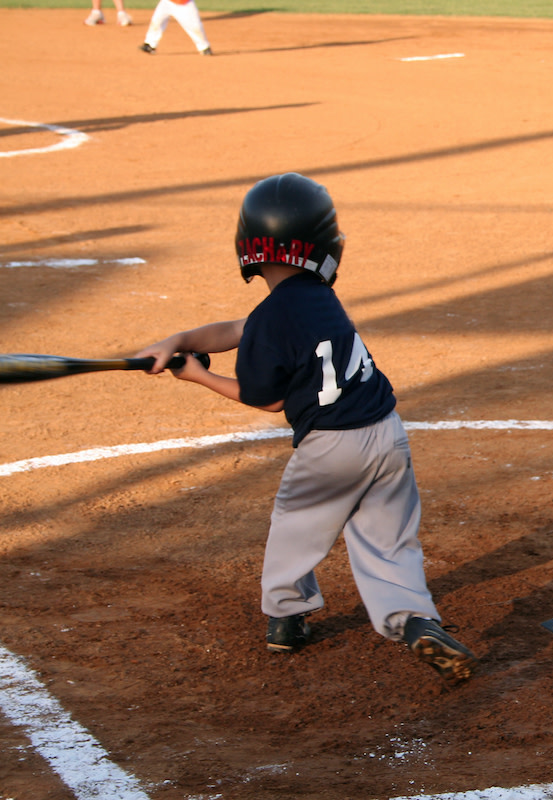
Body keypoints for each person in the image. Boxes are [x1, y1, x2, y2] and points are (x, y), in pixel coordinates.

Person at [137, 173, 478, 687]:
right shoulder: (317, 298)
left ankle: (286, 617)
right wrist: (179, 337)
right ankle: (414, 620)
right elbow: (241, 329)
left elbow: (268, 397)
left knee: (297, 527)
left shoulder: (273, 320)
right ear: (320, 244)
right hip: (386, 433)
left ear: (249, 247)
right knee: (388, 540)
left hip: (330, 448)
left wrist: (198, 374)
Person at [139, 0, 213, 55]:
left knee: (194, 27)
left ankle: (204, 47)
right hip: (166, 2)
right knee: (157, 21)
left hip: (184, 4)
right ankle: (150, 44)